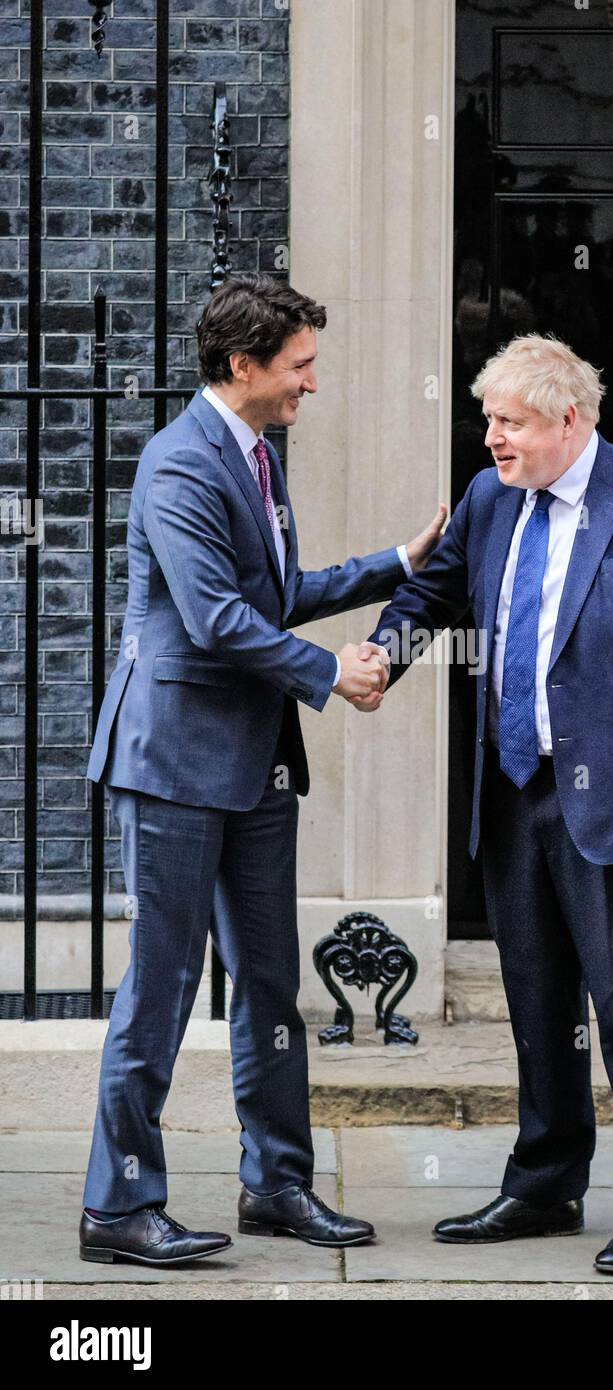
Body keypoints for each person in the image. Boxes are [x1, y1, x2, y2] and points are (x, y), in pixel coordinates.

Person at [361, 333, 613, 1274]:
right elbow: (434, 590)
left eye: (511, 423)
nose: (492, 440)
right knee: (538, 1004)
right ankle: (545, 1183)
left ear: (569, 419)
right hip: (515, 792)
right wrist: (383, 651)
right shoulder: (495, 498)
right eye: (488, 420)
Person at [79, 272, 446, 1266]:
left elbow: (275, 592)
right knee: (162, 982)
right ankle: (117, 1205)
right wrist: (334, 672)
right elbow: (214, 620)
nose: (310, 385)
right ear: (240, 366)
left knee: (272, 983)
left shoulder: (254, 453)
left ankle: (277, 1182)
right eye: (298, 366)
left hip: (250, 762)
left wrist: (394, 566)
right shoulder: (180, 465)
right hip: (175, 760)